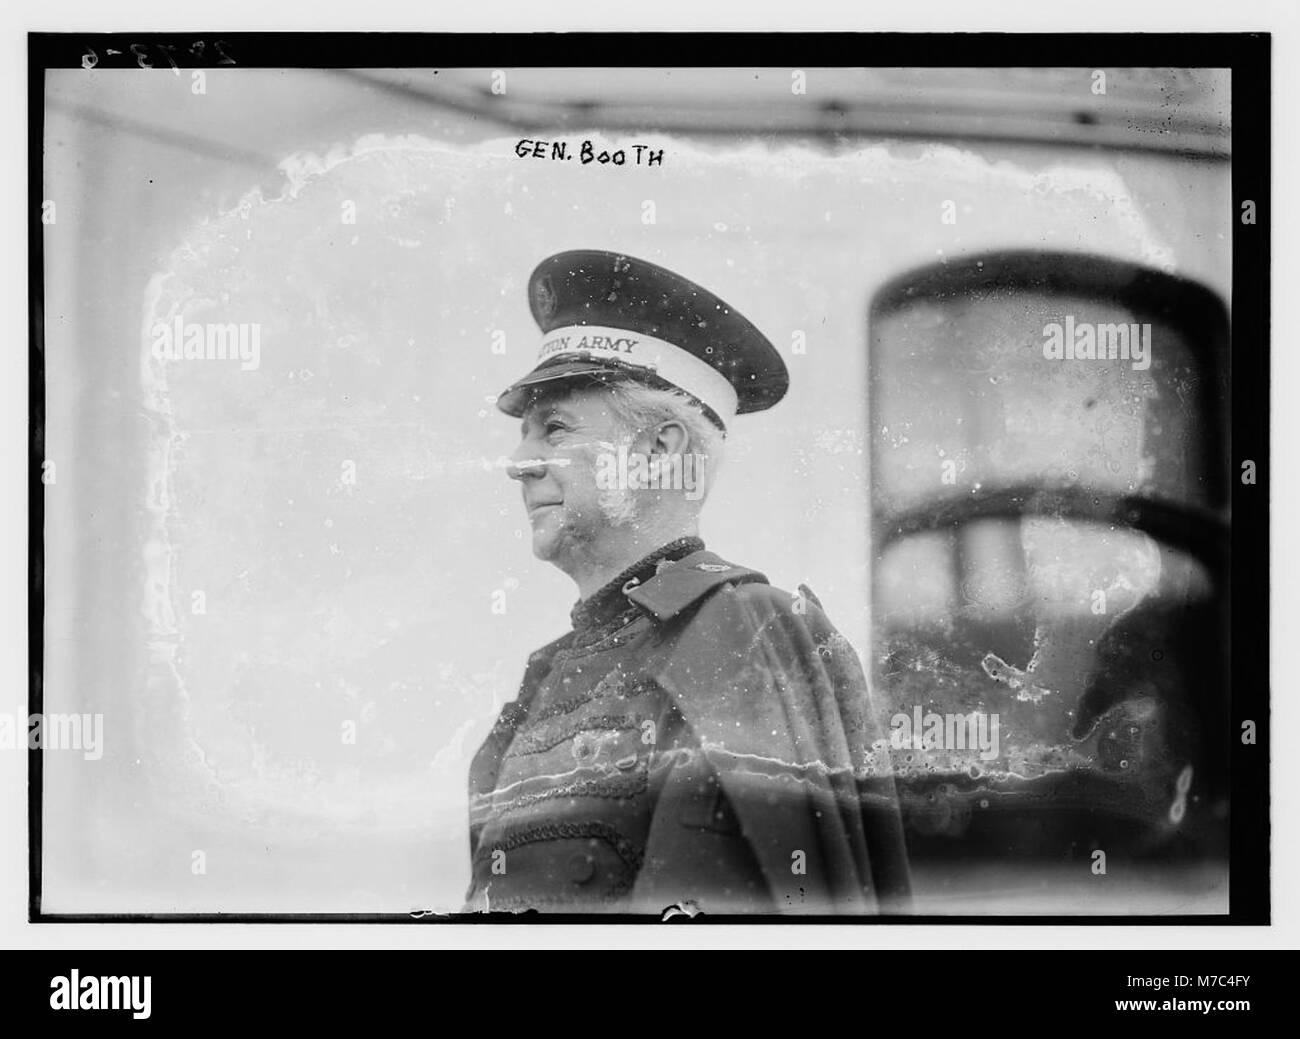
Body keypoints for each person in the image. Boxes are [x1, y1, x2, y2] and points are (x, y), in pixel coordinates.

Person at [463, 249, 910, 914]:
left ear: (659, 450)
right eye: (525, 434)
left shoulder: (743, 629)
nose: (518, 463)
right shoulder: (548, 674)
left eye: (553, 429)